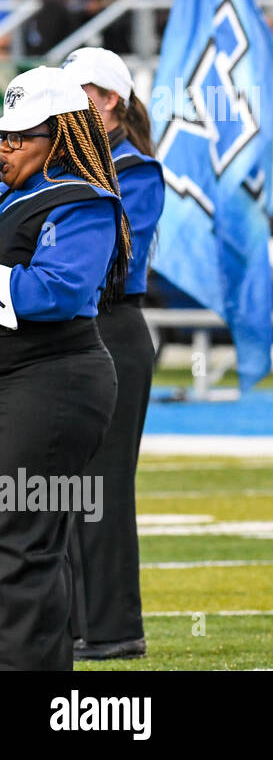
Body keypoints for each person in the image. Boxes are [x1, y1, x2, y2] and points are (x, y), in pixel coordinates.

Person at [0, 66, 132, 670]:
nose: (4, 148)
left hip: (54, 383)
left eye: (17, 138)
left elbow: (55, 290)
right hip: (19, 377)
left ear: (58, 135)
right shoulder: (11, 194)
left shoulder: (84, 200)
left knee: (22, 544)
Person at [61, 48, 164, 662]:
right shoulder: (60, 166)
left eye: (84, 97)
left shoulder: (137, 170)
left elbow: (107, 259)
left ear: (111, 102)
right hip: (66, 335)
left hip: (111, 330)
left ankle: (111, 630)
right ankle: (68, 625)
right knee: (55, 490)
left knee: (101, 488)